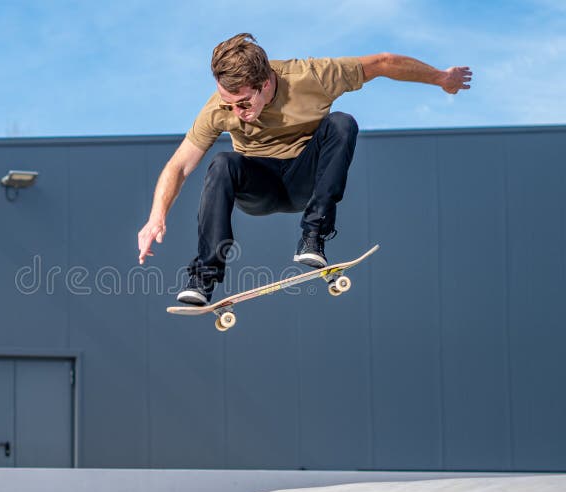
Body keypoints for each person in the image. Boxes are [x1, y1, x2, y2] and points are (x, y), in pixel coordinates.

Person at [137, 33, 471, 306]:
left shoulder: (311, 77)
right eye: (229, 103)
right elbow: (180, 165)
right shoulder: (218, 108)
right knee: (222, 162)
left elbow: (384, 63)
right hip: (259, 185)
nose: (235, 111)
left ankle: (313, 237)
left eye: (243, 103)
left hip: (305, 177)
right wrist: (156, 215)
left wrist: (442, 78)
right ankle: (205, 275)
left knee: (342, 123)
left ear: (266, 84)